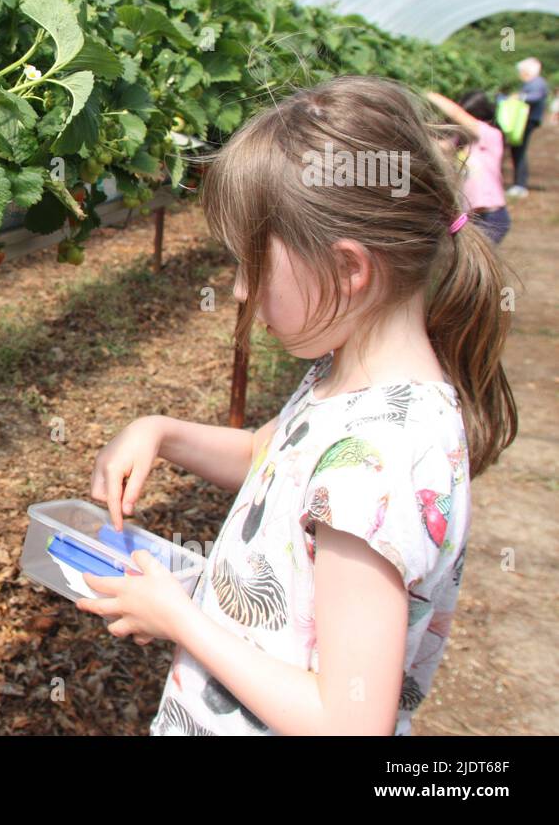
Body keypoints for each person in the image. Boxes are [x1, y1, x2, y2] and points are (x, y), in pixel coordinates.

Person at [82, 76, 517, 736]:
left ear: (349, 270)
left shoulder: (376, 470)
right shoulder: (349, 384)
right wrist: (160, 432)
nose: (237, 291)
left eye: (251, 266)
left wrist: (180, 619)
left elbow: (347, 723)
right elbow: (275, 459)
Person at [425, 89, 510, 244]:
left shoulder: (490, 136)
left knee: (474, 264)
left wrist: (426, 93)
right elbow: (434, 145)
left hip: (491, 216)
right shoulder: (461, 141)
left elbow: (457, 114)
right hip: (469, 217)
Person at [507, 57, 548, 195]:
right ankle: (519, 183)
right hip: (524, 121)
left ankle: (520, 185)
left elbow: (535, 97)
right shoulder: (533, 83)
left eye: (521, 72)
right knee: (517, 150)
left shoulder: (536, 83)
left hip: (527, 121)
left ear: (527, 72)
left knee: (519, 151)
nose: (520, 75)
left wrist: (519, 97)